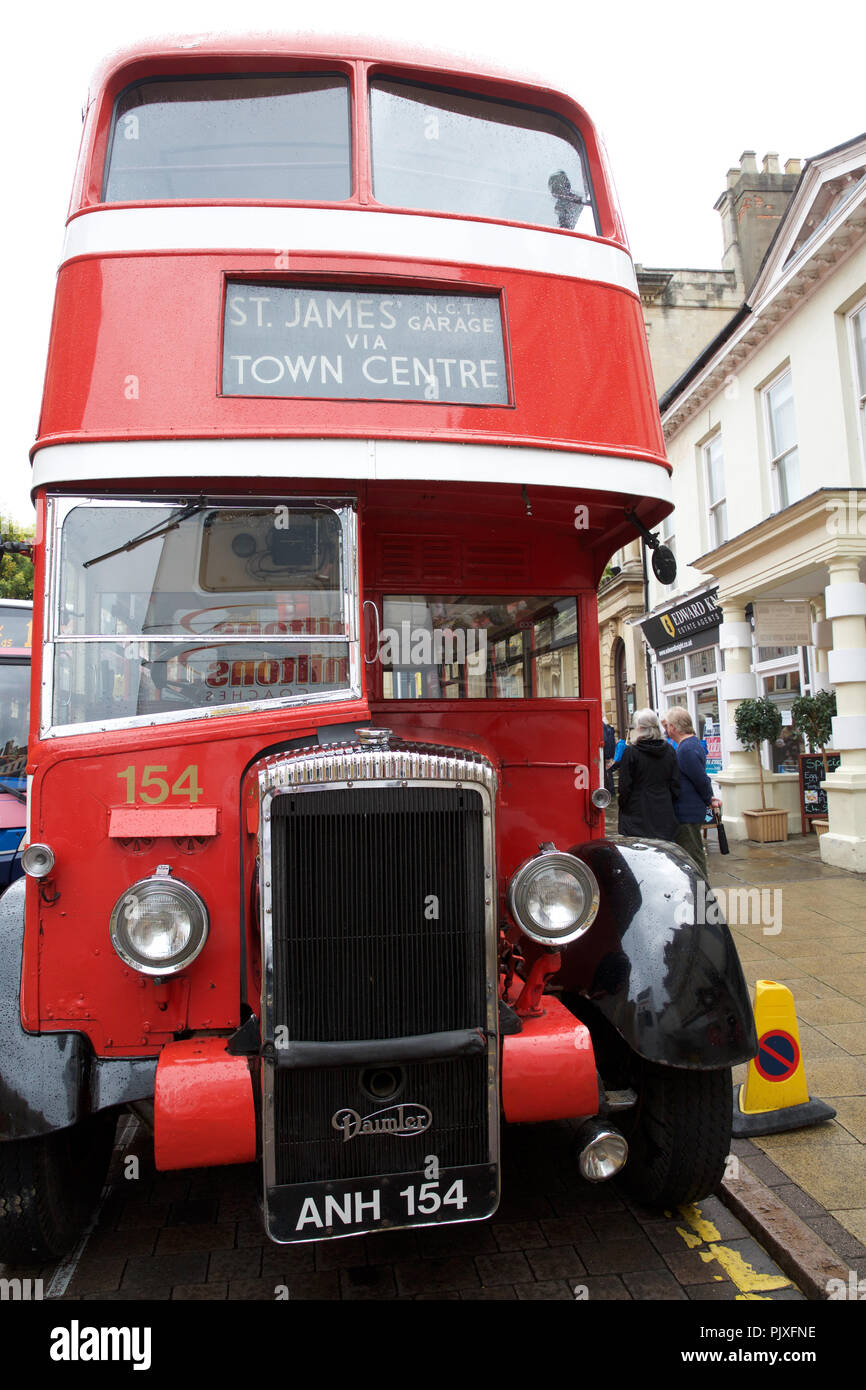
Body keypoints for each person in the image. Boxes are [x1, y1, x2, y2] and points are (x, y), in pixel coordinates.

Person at [663, 705, 721, 878]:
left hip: (687, 812)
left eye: (668, 725)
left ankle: (701, 889)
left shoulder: (686, 748)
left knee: (692, 855)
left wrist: (709, 799)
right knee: (690, 853)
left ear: (674, 727)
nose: (666, 729)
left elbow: (700, 778)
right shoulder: (689, 745)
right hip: (689, 810)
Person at [617, 708, 681, 840]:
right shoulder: (669, 751)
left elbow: (624, 788)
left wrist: (624, 806)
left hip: (637, 816)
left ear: (639, 728)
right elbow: (675, 784)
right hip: (663, 812)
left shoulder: (631, 753)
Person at [602, 718, 616, 796]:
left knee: (607, 774)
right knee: (608, 773)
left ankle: (610, 792)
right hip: (609, 754)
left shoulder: (604, 728)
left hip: (606, 755)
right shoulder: (609, 729)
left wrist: (607, 756)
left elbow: (606, 742)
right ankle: (611, 792)